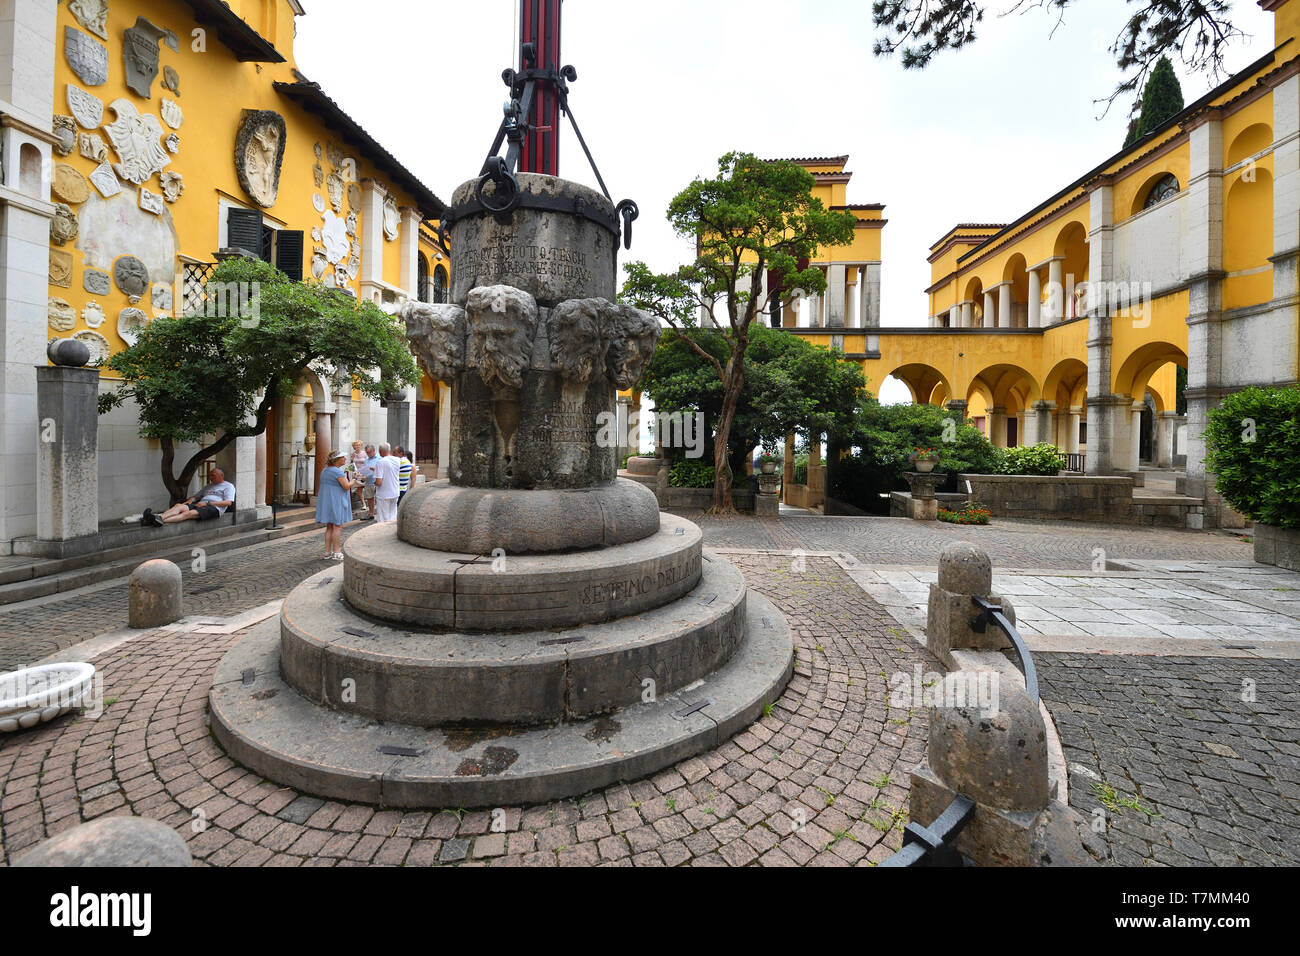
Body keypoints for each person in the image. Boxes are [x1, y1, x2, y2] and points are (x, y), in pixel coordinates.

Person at [145, 469, 236, 526]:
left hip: (214, 508)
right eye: (210, 475)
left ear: (221, 476)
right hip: (200, 504)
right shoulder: (208, 486)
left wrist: (207, 503)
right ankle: (158, 518)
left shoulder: (228, 486)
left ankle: (156, 520)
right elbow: (196, 496)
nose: (211, 477)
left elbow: (228, 503)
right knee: (178, 506)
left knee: (188, 514)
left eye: (213, 475)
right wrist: (190, 500)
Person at [316, 450, 355, 560]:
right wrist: (354, 480)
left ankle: (327, 552)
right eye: (343, 457)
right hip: (336, 501)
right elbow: (346, 486)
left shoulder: (325, 470)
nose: (345, 459)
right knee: (337, 526)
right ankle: (337, 552)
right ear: (337, 460)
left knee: (329, 527)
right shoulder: (338, 472)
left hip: (327, 501)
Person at [372, 442, 401, 523]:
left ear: (380, 451)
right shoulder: (397, 460)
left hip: (384, 493)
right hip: (394, 491)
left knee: (383, 518)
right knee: (393, 514)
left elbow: (378, 482)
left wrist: (372, 482)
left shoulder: (380, 462)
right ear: (389, 450)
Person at [360, 444, 379, 520]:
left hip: (377, 482)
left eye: (369, 452)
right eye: (367, 452)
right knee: (370, 499)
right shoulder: (366, 460)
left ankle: (380, 514)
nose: (368, 454)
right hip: (368, 482)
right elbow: (365, 470)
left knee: (379, 499)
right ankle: (371, 514)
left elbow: (382, 470)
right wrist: (363, 476)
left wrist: (374, 468)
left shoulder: (379, 458)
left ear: (374, 451)